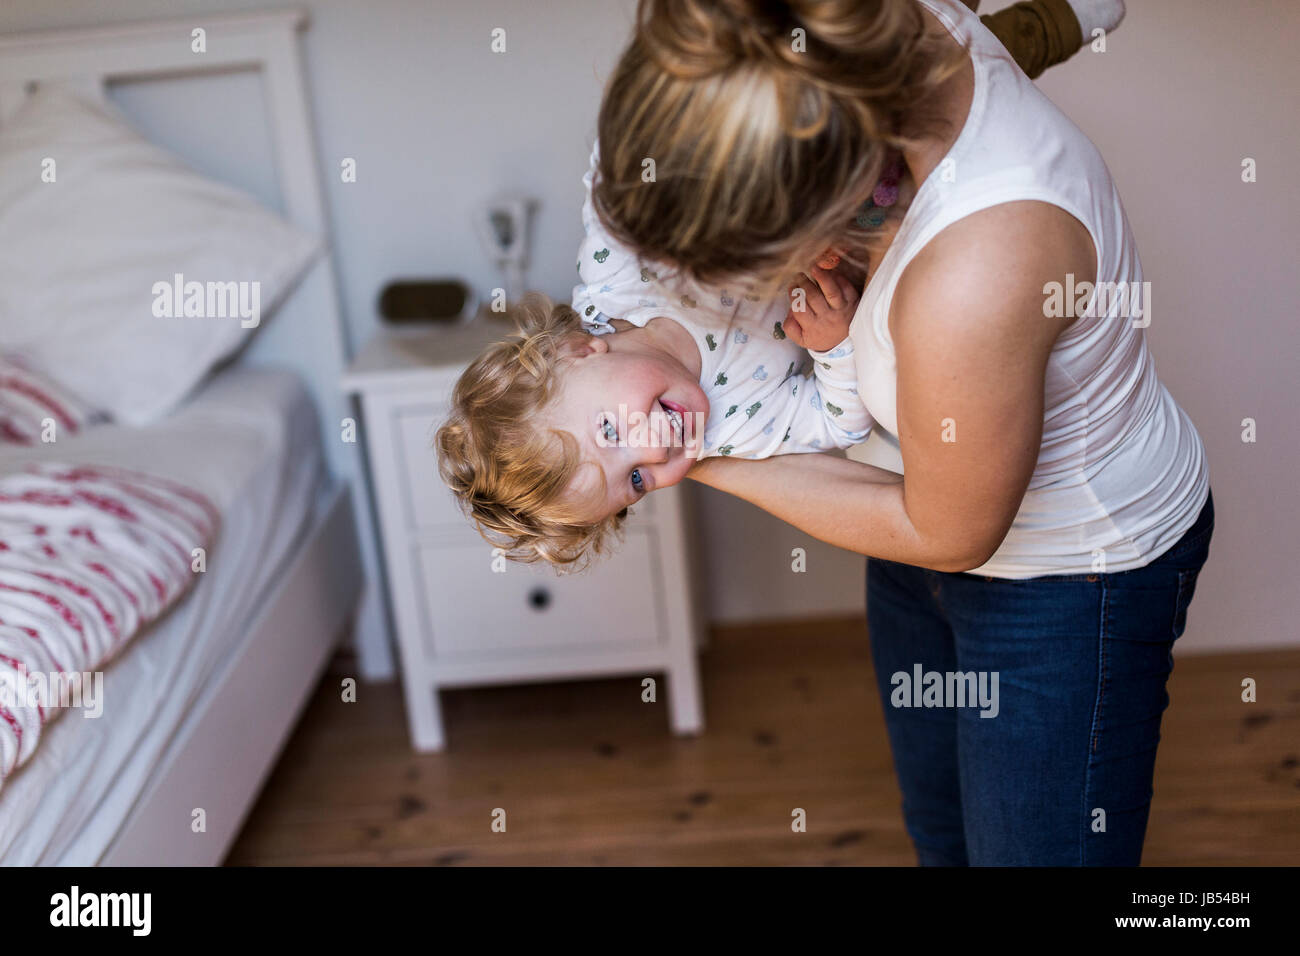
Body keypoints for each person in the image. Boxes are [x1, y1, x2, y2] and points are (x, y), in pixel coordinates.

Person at [587, 0, 1211, 866]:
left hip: (1065, 580)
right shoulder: (849, 32)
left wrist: (692, 464)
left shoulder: (980, 267)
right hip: (912, 536)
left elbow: (949, 530)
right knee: (943, 838)